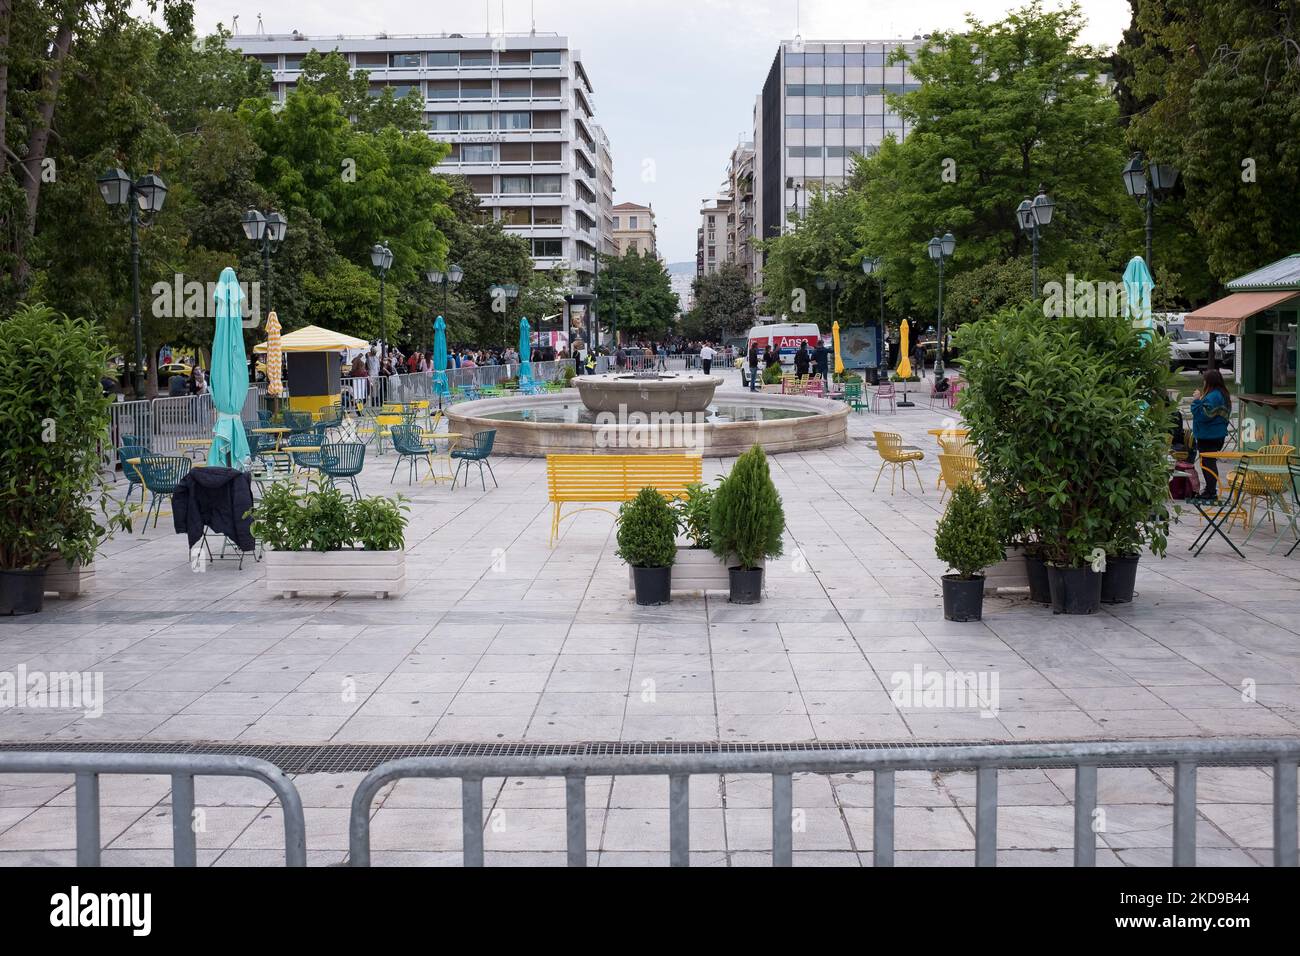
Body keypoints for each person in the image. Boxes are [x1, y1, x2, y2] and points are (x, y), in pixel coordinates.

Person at [1190, 368, 1232, 501]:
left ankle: (1211, 492)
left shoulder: (1214, 396)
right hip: (1215, 435)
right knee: (1209, 463)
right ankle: (1210, 489)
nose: (1203, 384)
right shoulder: (1221, 394)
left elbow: (1203, 415)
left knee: (1208, 463)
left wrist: (1196, 400)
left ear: (1209, 382)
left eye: (1204, 381)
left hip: (1209, 436)